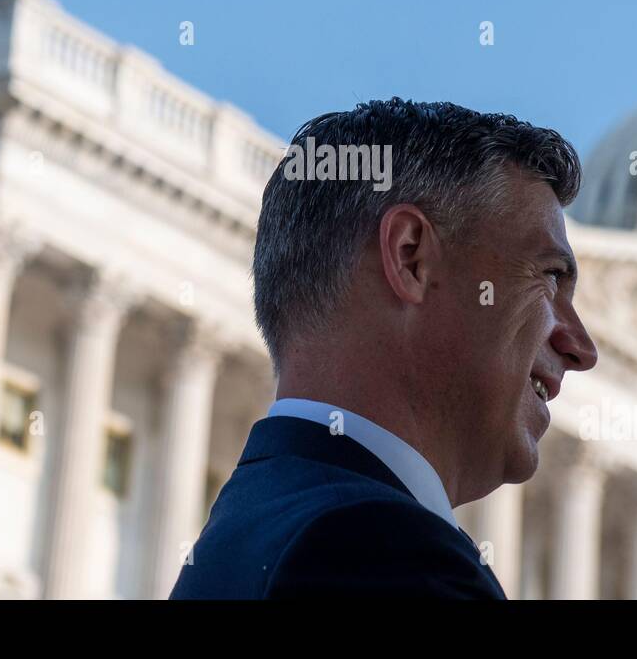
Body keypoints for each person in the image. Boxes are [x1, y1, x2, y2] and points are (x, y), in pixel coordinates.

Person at [170, 98, 597, 598]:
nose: (581, 348)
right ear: (411, 257)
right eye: (549, 276)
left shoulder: (246, 533)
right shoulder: (384, 552)